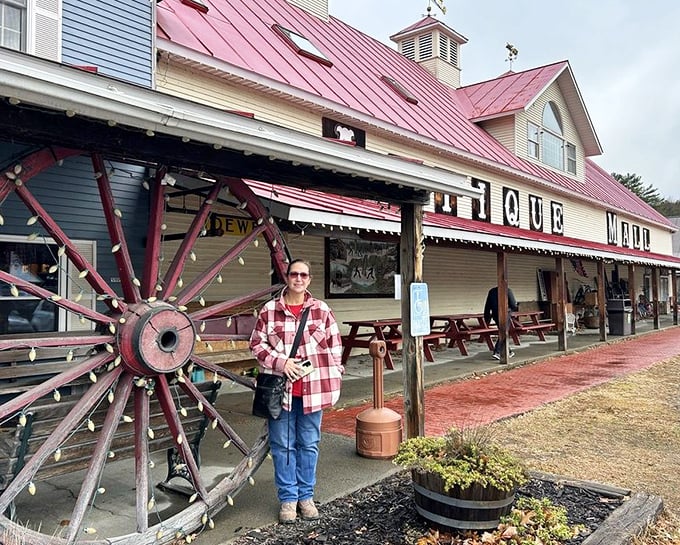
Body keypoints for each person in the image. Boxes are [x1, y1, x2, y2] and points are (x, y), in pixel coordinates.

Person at [249, 259, 344, 524]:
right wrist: (281, 363)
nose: (298, 279)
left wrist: (334, 375)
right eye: (294, 274)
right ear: (287, 277)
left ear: (309, 279)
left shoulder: (321, 310)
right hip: (281, 392)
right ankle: (288, 500)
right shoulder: (269, 311)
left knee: (309, 444)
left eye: (303, 275)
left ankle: (306, 497)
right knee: (283, 446)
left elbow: (335, 346)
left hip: (313, 390)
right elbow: (256, 345)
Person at [483, 285, 518, 361]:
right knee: (504, 332)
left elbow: (487, 305)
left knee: (502, 331)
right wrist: (515, 307)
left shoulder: (491, 291)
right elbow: (513, 304)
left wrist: (486, 316)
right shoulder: (508, 291)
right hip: (505, 314)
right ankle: (497, 351)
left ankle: (509, 350)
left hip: (495, 314)